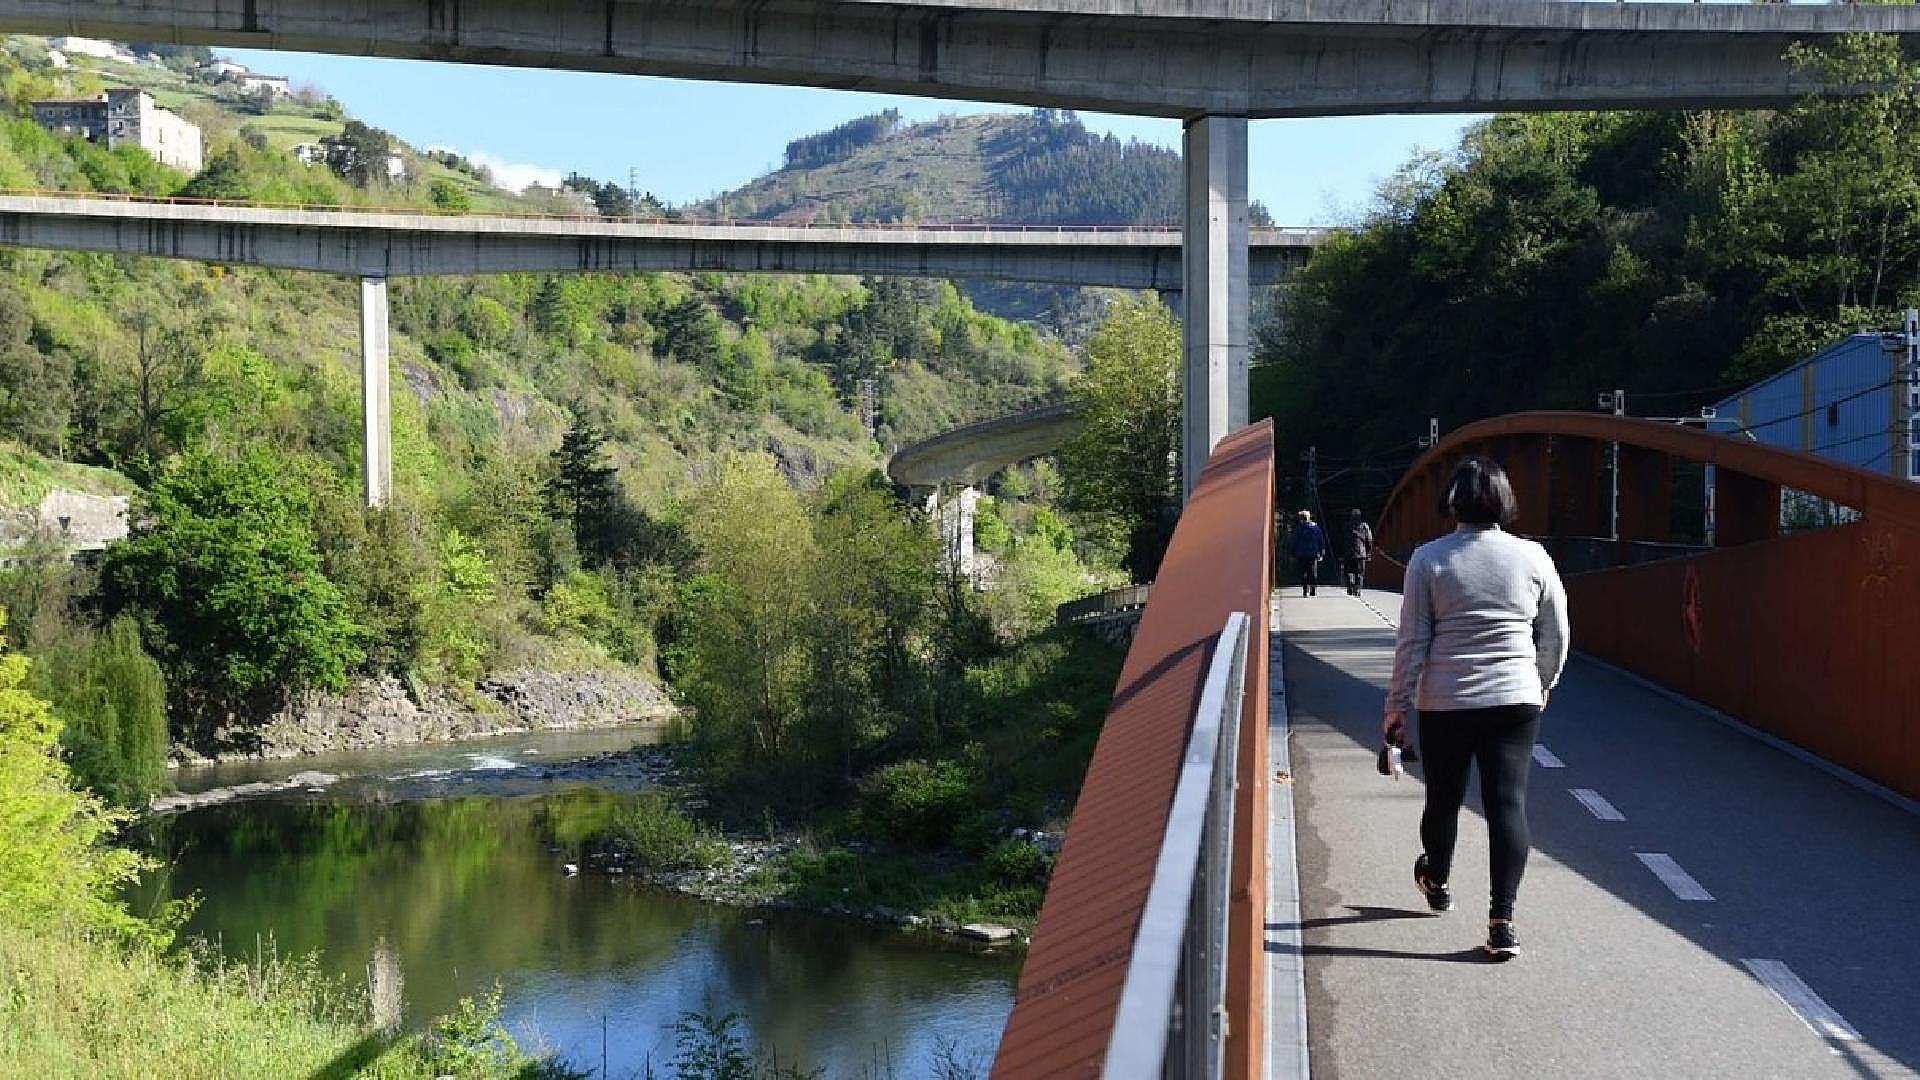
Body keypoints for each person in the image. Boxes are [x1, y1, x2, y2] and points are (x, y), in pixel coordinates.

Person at [1383, 456, 1568, 959]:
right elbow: (1555, 631)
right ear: (1505, 501)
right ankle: (1502, 920)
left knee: (1443, 799)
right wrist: (1543, 680)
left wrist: (1396, 706)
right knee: (1507, 805)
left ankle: (1437, 882)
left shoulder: (1429, 559)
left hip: (1446, 700)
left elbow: (1412, 640)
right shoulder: (1534, 557)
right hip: (1515, 698)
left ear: (1452, 502)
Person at [1287, 509, 1327, 597]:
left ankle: (1305, 590)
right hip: (1313, 553)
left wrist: (1292, 553)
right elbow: (1321, 541)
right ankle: (1313, 589)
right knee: (1312, 572)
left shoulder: (1298, 529)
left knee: (1303, 572)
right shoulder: (1316, 528)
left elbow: (1294, 541)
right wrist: (1321, 552)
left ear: (1301, 519)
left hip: (1301, 553)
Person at [1342, 508, 1374, 596]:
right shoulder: (1364, 526)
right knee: (1359, 573)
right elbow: (1369, 540)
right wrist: (1368, 552)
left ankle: (1350, 584)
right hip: (1361, 553)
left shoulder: (1346, 526)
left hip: (1349, 553)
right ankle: (1357, 589)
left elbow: (1342, 540)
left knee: (1349, 570)